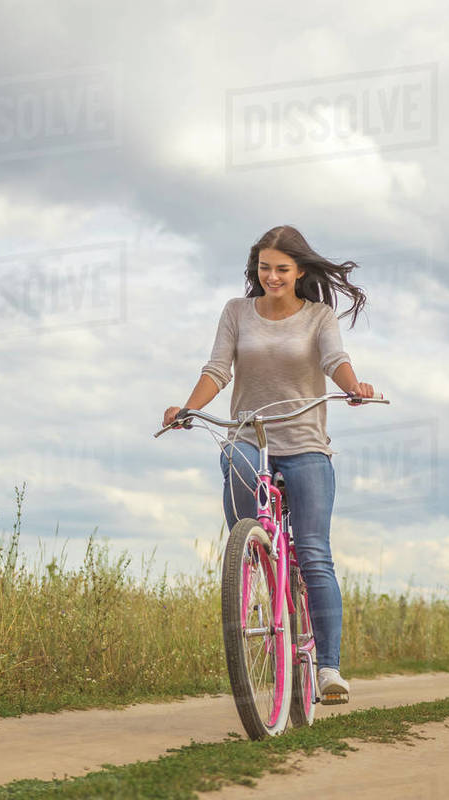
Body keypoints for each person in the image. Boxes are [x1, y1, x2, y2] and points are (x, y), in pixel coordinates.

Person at [162, 225, 374, 704]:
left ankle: (328, 669)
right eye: (264, 268)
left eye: (282, 268)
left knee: (315, 554)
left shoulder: (319, 316)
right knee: (234, 461)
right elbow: (218, 369)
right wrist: (188, 407)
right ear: (254, 268)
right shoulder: (237, 311)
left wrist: (353, 385)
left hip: (304, 441)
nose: (272, 276)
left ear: (300, 271)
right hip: (249, 436)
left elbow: (334, 359)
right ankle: (251, 556)